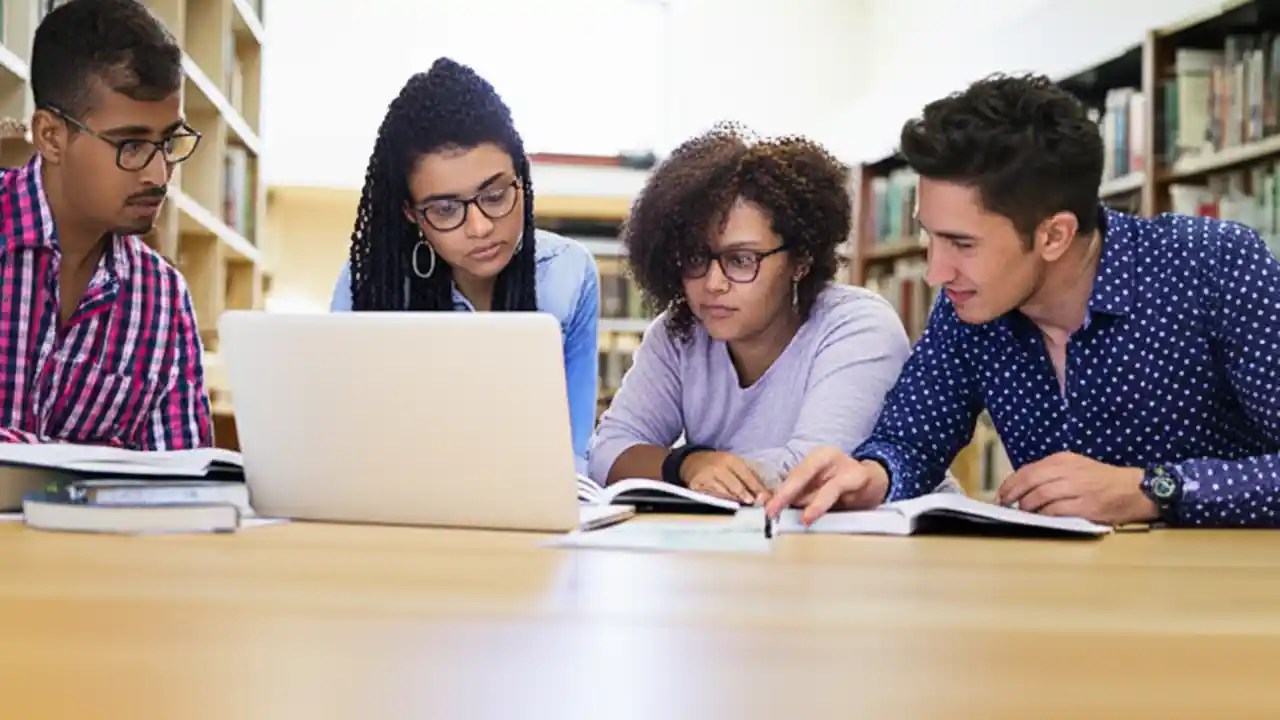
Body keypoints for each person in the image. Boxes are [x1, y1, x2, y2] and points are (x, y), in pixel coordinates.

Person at [768, 72, 1280, 529]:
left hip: (1230, 606)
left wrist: (1152, 489)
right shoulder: (967, 307)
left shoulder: (1214, 267)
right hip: (1060, 605)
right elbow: (912, 440)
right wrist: (872, 476)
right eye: (931, 237)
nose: (934, 272)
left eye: (962, 244)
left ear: (1054, 236)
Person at [586, 123, 911, 503]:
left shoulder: (858, 327)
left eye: (741, 260)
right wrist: (688, 464)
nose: (713, 283)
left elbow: (807, 472)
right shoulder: (679, 334)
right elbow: (606, 452)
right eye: (695, 257)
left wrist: (690, 469)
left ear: (800, 259)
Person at [330, 58, 600, 471]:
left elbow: (573, 452)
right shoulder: (369, 283)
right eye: (444, 209)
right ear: (411, 214)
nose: (479, 227)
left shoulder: (568, 274)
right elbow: (345, 441)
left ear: (522, 180)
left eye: (494, 196)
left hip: (531, 510)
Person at [0, 0, 212, 449]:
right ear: (50, 136)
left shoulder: (164, 300)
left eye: (168, 141)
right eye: (130, 144)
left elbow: (181, 486)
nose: (158, 174)